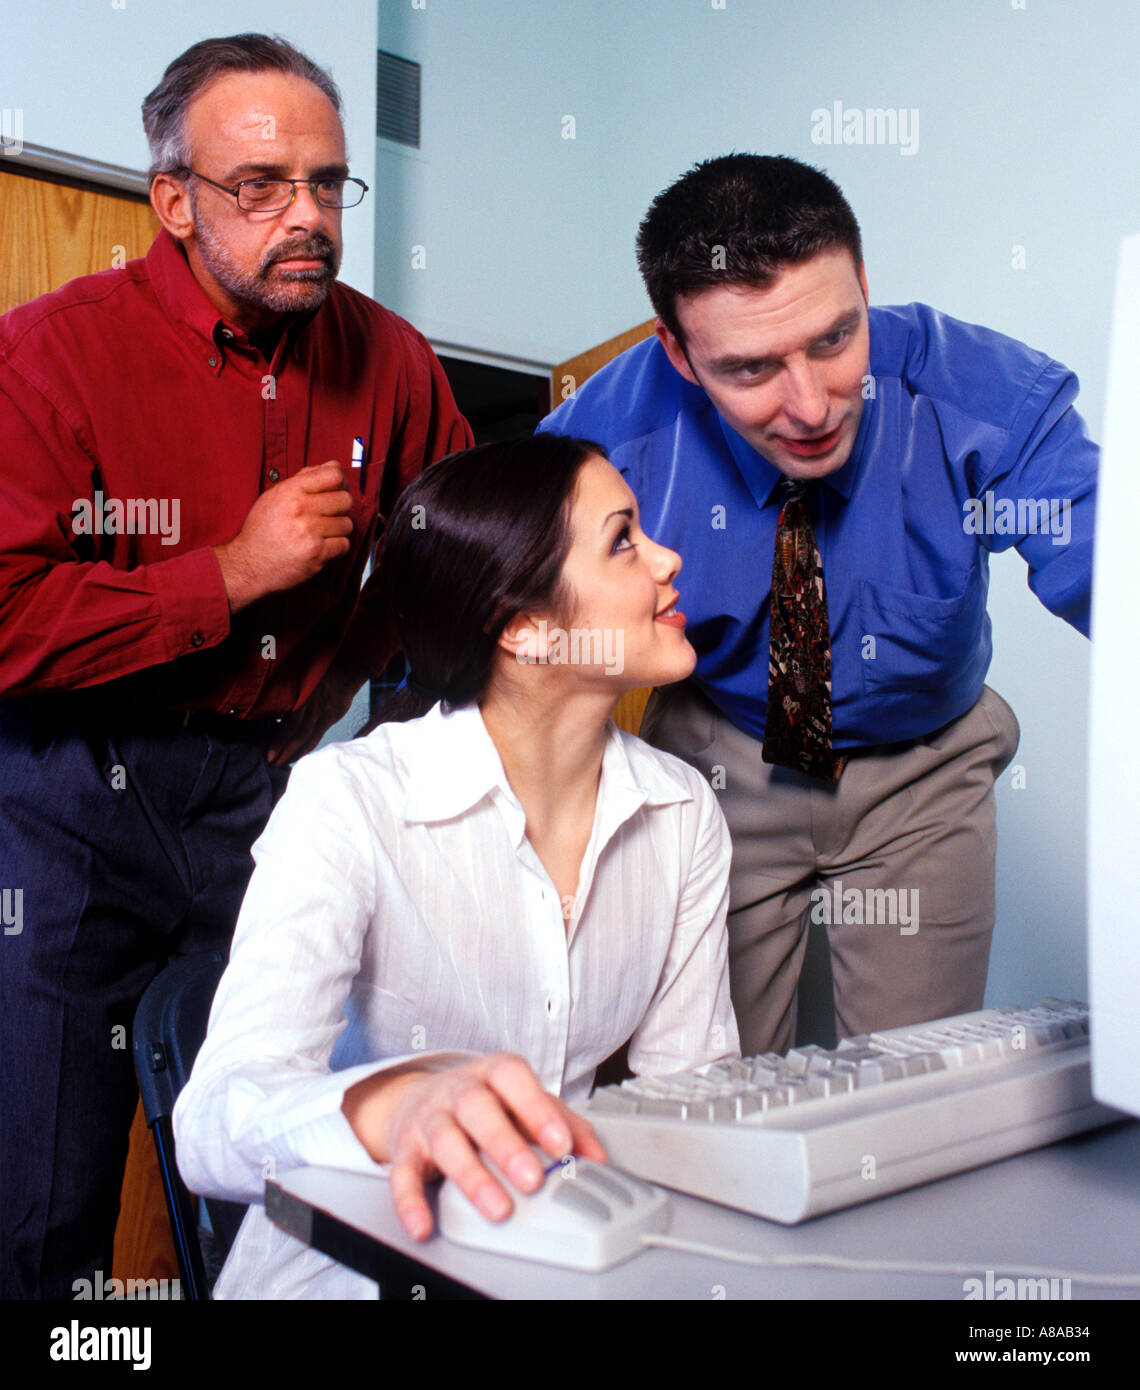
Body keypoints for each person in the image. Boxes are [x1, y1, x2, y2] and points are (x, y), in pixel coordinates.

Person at [0, 34, 470, 1299]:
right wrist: (232, 575)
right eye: (261, 185)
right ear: (173, 200)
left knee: (285, 1178)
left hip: (267, 800)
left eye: (327, 184)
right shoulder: (49, 355)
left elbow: (456, 570)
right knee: (42, 1206)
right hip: (67, 802)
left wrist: (352, 706)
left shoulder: (398, 363)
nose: (307, 217)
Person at [540, 154, 1095, 1057]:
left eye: (836, 339)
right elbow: (493, 598)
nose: (810, 406)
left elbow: (1109, 555)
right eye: (752, 368)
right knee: (704, 1095)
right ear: (678, 353)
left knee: (917, 1098)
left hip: (923, 770)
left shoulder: (980, 396)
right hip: (715, 764)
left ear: (864, 286)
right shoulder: (606, 435)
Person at [174, 434, 740, 1298]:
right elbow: (213, 1125)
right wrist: (393, 1104)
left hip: (563, 1263)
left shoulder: (682, 811)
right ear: (525, 629)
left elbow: (689, 1107)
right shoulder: (349, 801)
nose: (667, 559)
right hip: (351, 1273)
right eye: (623, 538)